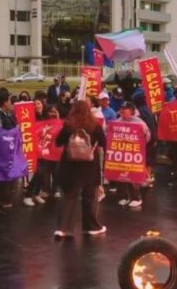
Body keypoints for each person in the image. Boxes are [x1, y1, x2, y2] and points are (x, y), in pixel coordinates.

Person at [54, 100, 107, 239]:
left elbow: (58, 142)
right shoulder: (95, 125)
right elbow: (103, 142)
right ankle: (91, 227)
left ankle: (63, 229)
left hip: (69, 166)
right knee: (90, 197)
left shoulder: (68, 125)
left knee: (69, 197)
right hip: (90, 166)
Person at [115, 102, 148, 209]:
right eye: (122, 108)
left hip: (134, 154)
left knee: (134, 176)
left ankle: (136, 198)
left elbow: (147, 137)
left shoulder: (139, 122)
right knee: (121, 175)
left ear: (132, 111)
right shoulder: (118, 121)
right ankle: (124, 196)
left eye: (125, 109)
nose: (123, 110)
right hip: (122, 153)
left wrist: (144, 134)